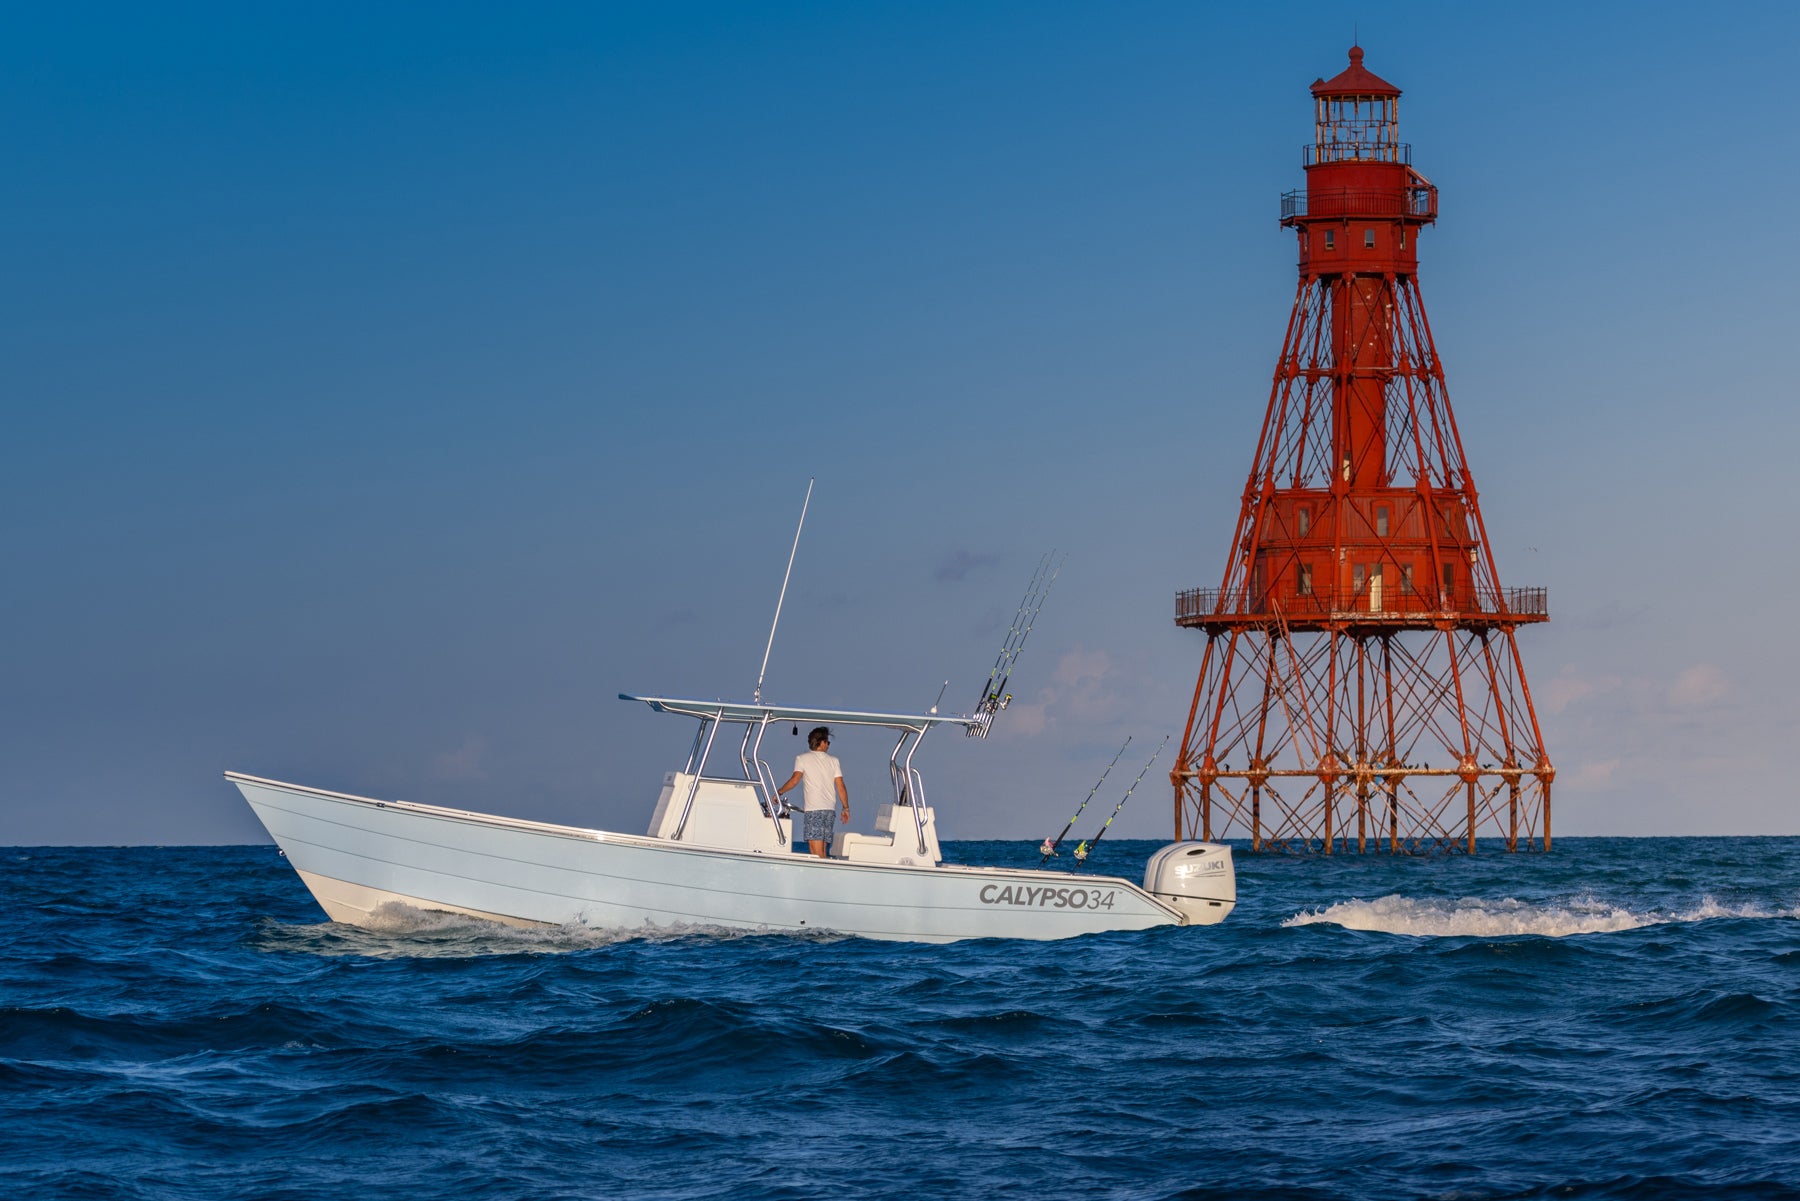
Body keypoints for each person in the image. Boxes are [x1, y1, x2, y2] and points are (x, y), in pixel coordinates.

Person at [777, 726, 849, 858]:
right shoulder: (834, 761)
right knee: (821, 850)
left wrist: (779, 793)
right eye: (827, 742)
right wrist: (845, 808)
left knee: (815, 852)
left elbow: (794, 781)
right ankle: (825, 876)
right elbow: (841, 786)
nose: (828, 745)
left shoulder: (802, 758)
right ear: (821, 742)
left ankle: (821, 877)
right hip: (829, 811)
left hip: (814, 809)